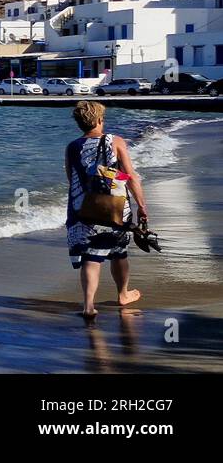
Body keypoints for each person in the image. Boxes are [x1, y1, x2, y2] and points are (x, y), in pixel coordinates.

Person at [64, 101, 148, 318]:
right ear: (100, 120)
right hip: (115, 208)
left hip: (83, 208)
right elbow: (130, 177)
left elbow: (70, 179)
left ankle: (89, 306)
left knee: (92, 255)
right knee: (119, 251)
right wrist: (142, 206)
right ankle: (122, 294)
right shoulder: (116, 141)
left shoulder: (72, 147)